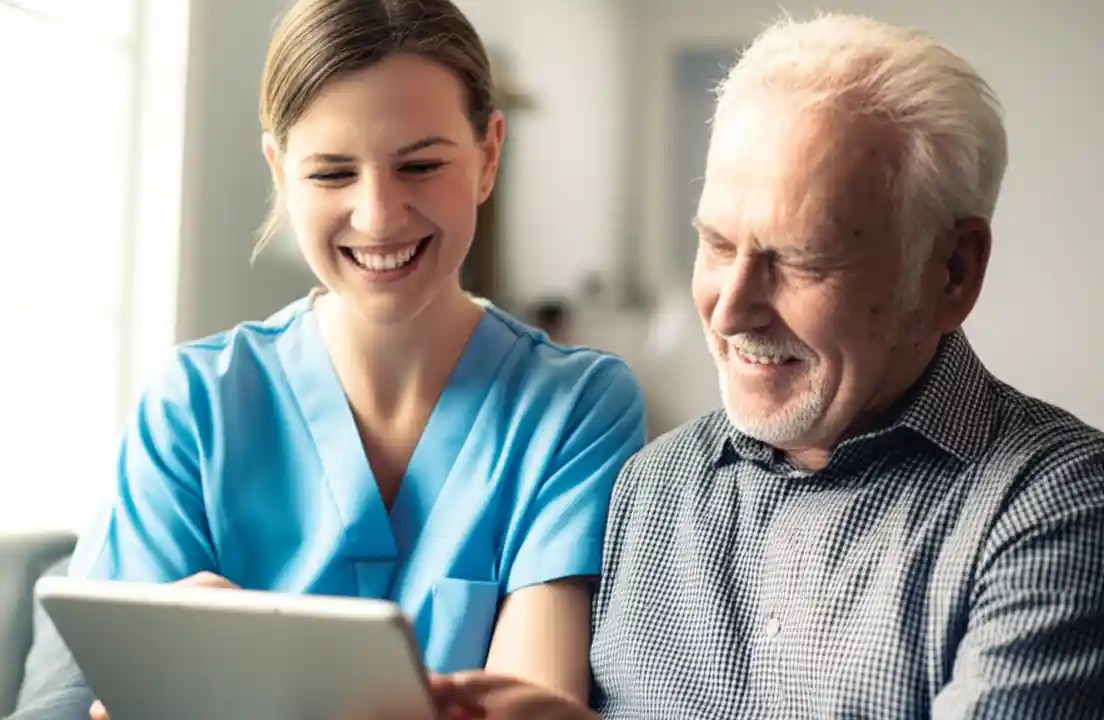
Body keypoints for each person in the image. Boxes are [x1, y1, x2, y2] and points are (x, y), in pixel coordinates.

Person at [433, 12, 1104, 719]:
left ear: (952, 272)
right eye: (718, 246)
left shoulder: (1057, 509)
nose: (730, 311)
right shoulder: (651, 489)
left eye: (802, 260)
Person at [6, 0, 645, 717]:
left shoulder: (575, 405)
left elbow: (532, 705)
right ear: (280, 172)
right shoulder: (192, 406)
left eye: (421, 165)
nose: (378, 216)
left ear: (488, 156)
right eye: (333, 173)